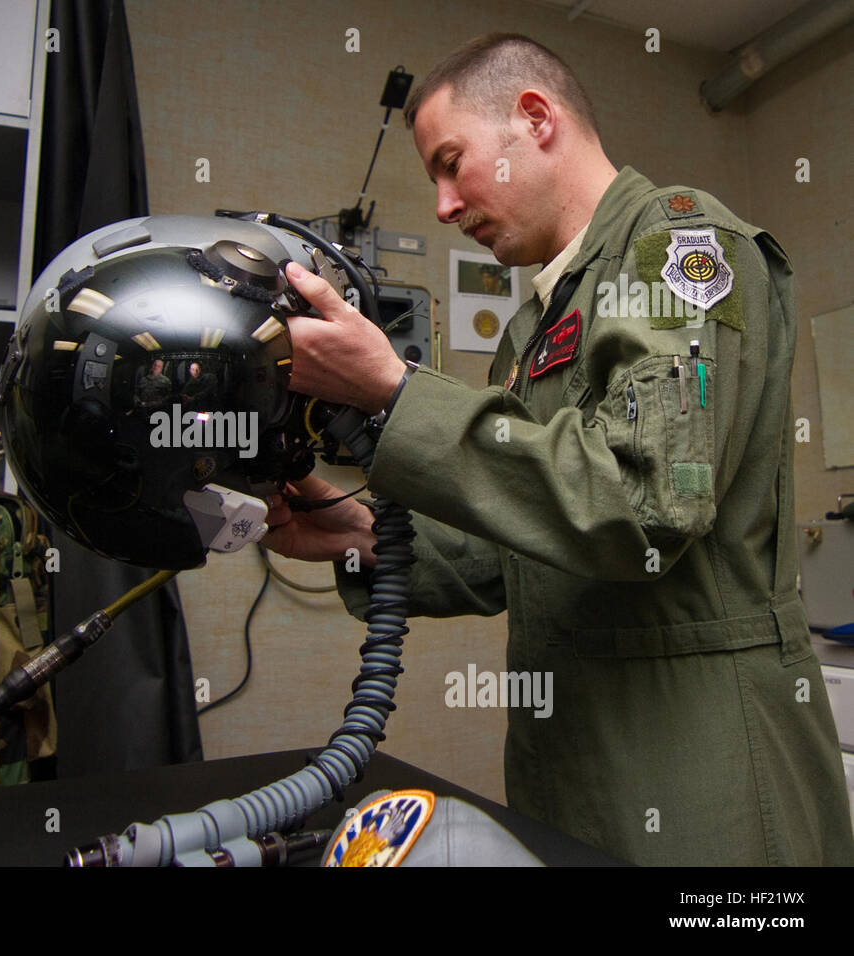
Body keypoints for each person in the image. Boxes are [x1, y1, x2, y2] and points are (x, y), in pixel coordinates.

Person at [263, 33, 854, 866]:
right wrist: (357, 531)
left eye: (450, 161)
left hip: (697, 764)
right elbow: (519, 551)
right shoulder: (533, 331)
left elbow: (641, 505)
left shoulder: (679, 244)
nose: (441, 204)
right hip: (574, 766)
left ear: (535, 119)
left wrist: (396, 394)